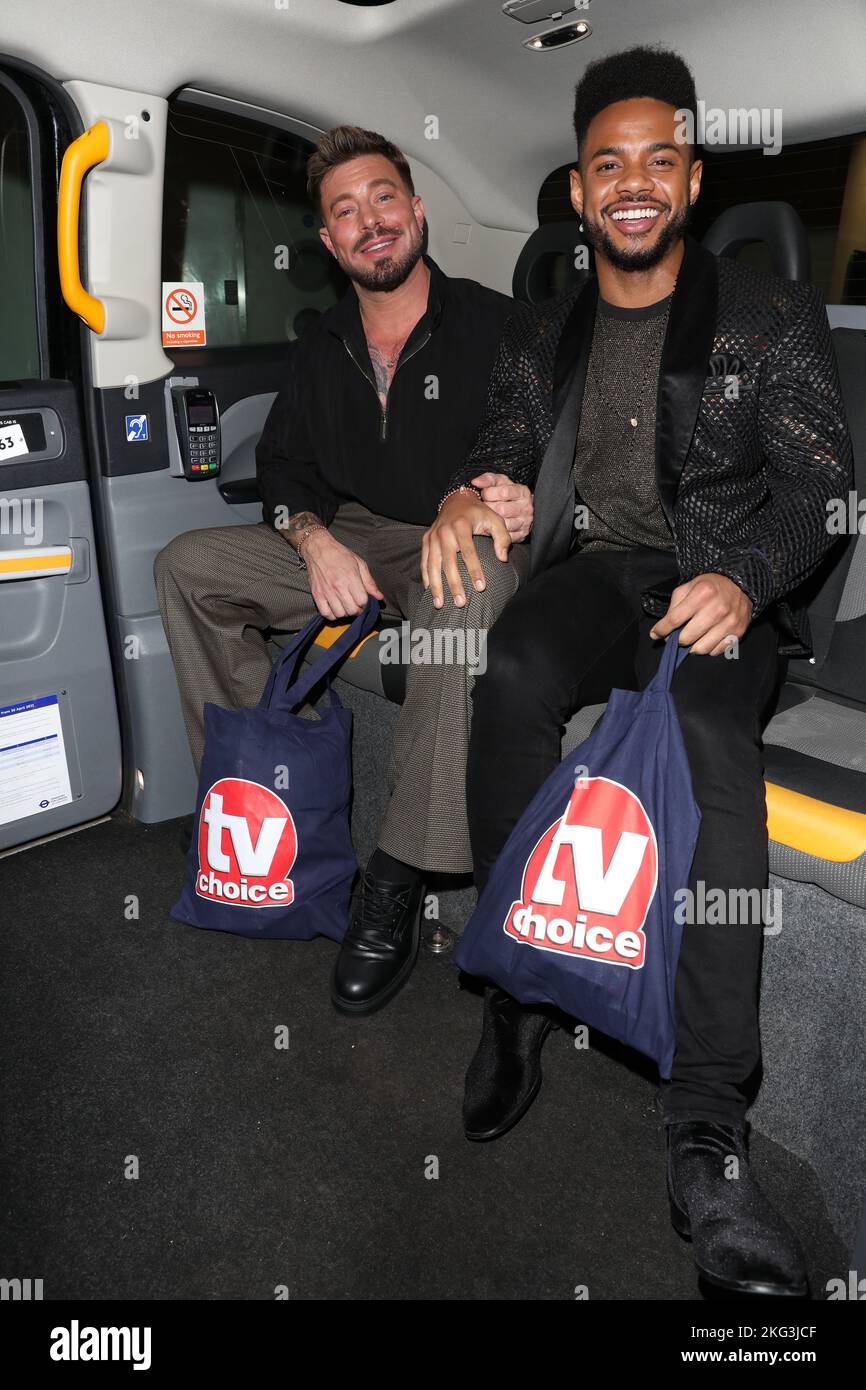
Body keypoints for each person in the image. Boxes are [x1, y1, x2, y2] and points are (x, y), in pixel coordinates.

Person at [423, 47, 853, 1297]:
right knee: (503, 673)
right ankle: (512, 984)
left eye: (655, 160)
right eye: (605, 163)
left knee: (715, 746)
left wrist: (745, 578)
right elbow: (502, 440)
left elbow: (823, 489)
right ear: (575, 190)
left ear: (690, 179)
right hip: (598, 574)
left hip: (717, 583)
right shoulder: (542, 323)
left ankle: (705, 1132)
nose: (630, 183)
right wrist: (465, 486)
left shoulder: (768, 315)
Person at [155, 126, 532, 1015]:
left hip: (453, 533)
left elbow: (534, 439)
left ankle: (396, 875)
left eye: (384, 199)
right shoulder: (322, 345)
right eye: (346, 212)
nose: (371, 222)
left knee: (470, 584)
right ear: (328, 243)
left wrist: (497, 495)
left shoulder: (498, 323)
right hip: (353, 535)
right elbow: (284, 471)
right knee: (188, 566)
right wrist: (311, 537)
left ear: (417, 210)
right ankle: (265, 805)